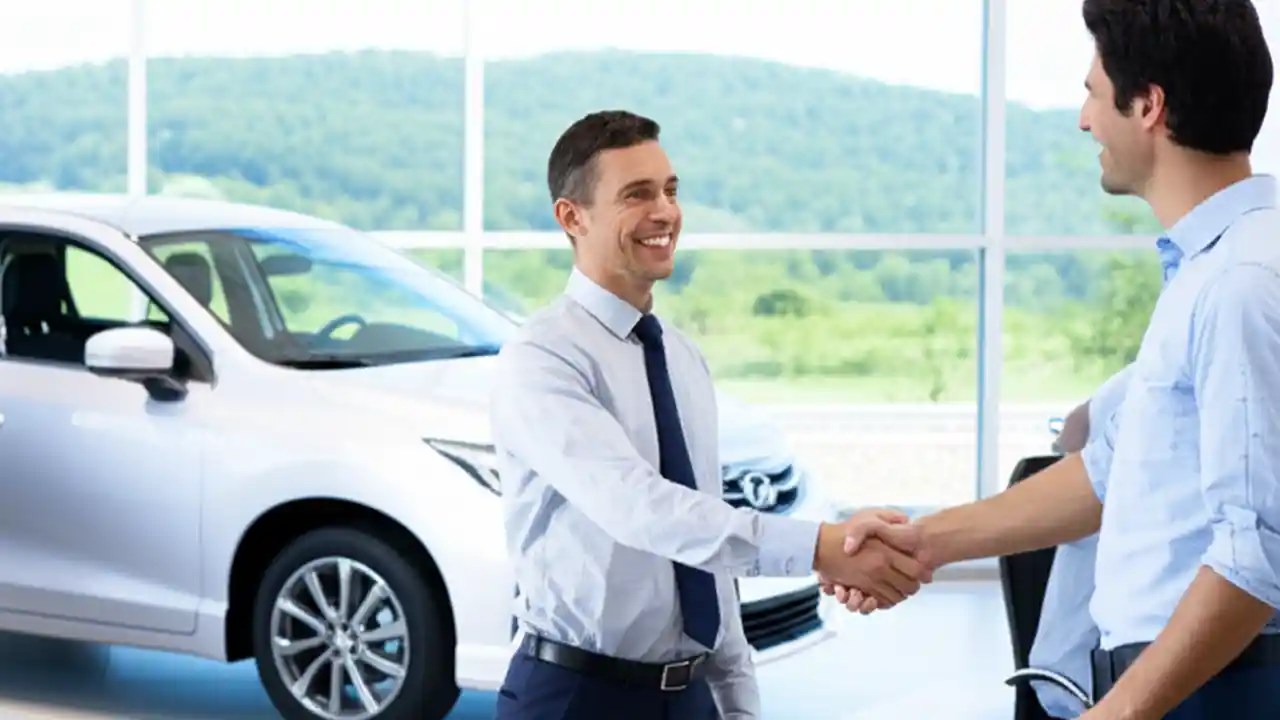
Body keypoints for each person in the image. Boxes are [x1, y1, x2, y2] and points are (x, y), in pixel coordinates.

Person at [828, 1, 1279, 718]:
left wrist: (1121, 712)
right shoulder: (1208, 272)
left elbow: (1257, 554)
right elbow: (1108, 473)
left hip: (1212, 684)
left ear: (1149, 106)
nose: (1083, 120)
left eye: (1094, 93)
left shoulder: (1240, 284)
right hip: (1183, 676)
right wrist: (922, 544)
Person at [489, 109, 930, 720]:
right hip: (575, 698)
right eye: (636, 195)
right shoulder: (541, 357)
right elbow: (642, 509)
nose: (665, 212)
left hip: (690, 696)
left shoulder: (680, 356)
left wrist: (737, 702)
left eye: (670, 190)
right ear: (573, 217)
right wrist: (821, 546)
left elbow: (703, 542)